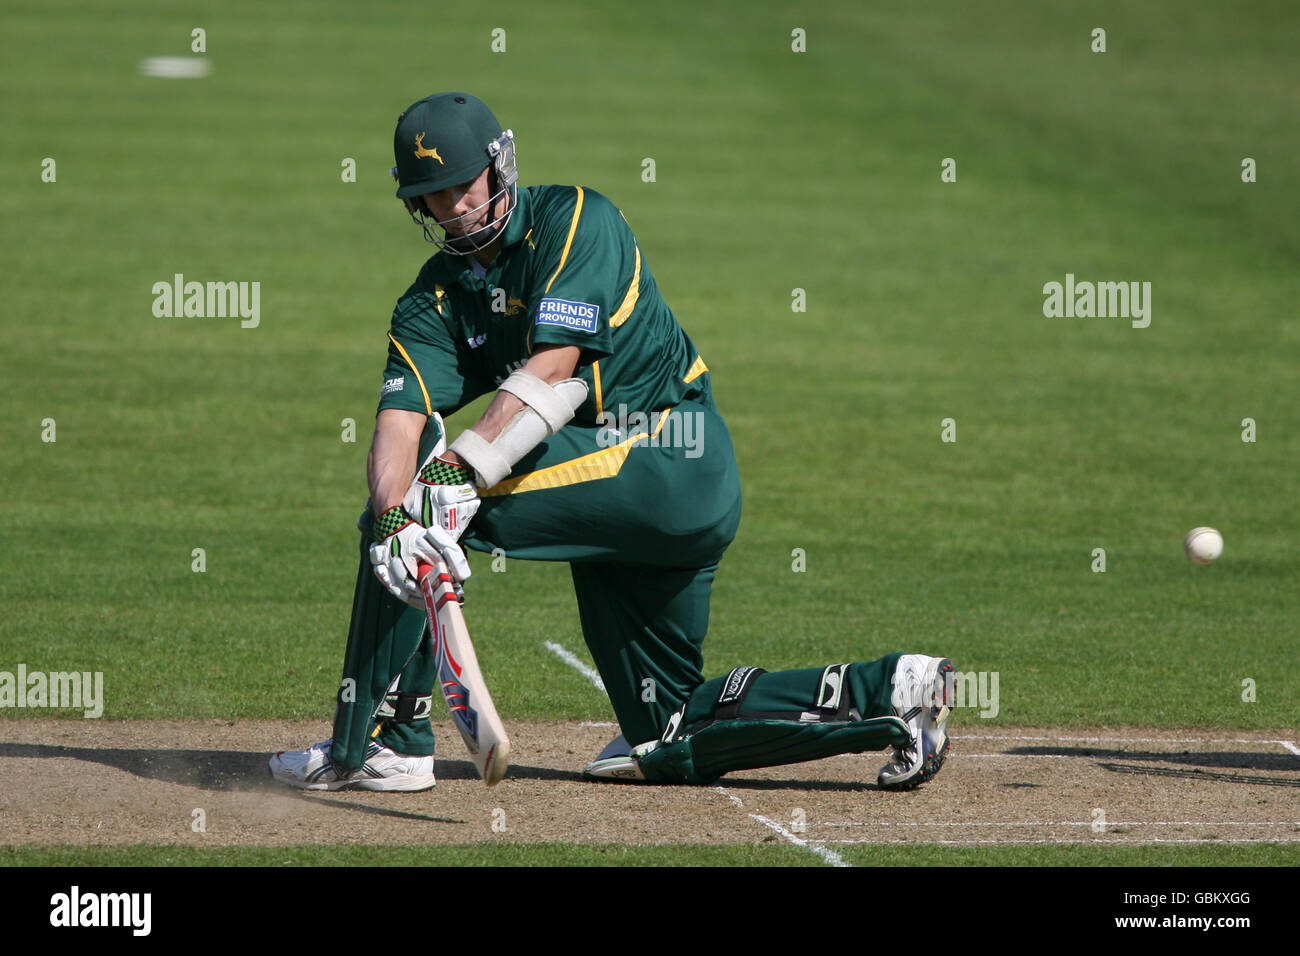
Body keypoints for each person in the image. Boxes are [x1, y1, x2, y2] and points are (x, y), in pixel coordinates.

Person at [268, 92, 954, 792]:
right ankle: (899, 690)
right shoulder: (431, 301)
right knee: (667, 733)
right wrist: (388, 517)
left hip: (668, 459)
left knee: (432, 504)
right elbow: (398, 423)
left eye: (462, 187)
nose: (454, 209)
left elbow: (557, 369)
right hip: (610, 501)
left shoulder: (575, 220)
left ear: (501, 166)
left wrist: (454, 477)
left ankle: (384, 743)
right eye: (432, 198)